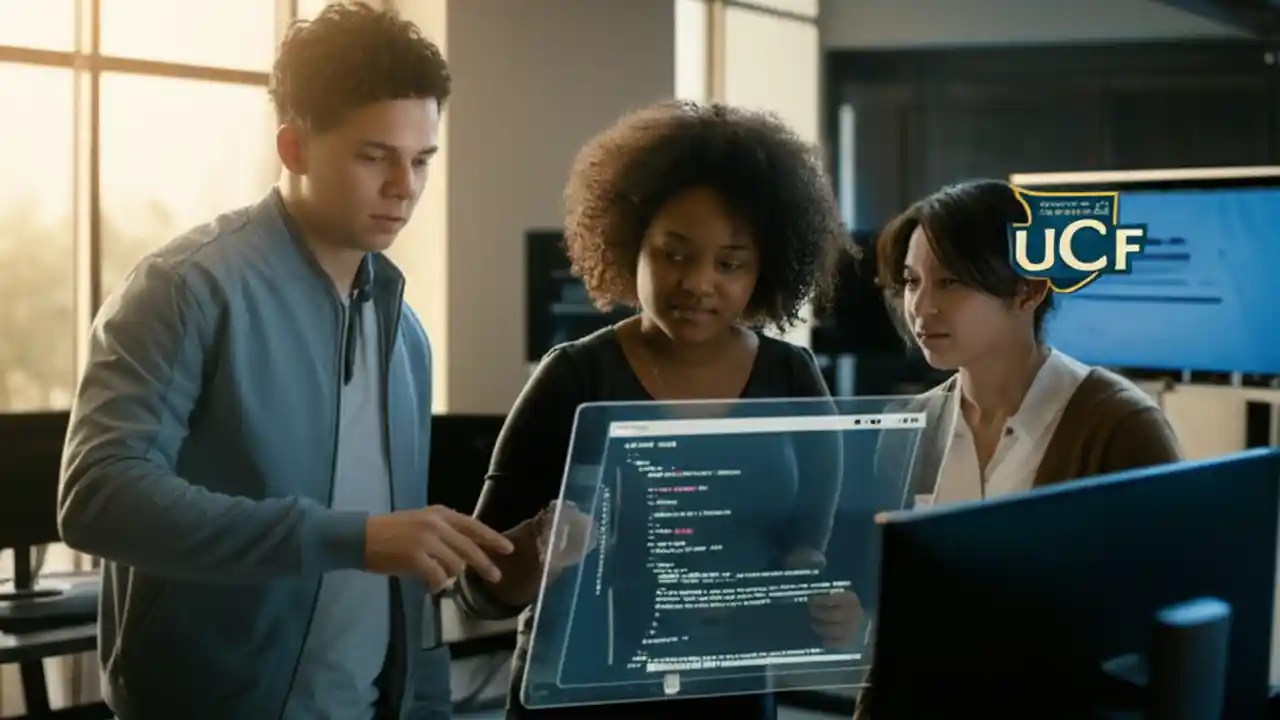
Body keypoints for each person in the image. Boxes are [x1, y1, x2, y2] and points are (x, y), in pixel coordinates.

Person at [57, 4, 512, 719]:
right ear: (294, 147)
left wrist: (427, 707)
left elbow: (407, 579)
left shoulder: (405, 333)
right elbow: (98, 499)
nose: (405, 186)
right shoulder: (185, 289)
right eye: (374, 156)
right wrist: (351, 538)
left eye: (421, 159)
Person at [454, 100, 862, 719]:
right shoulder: (574, 378)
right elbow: (478, 592)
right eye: (674, 253)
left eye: (729, 263)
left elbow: (812, 553)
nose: (698, 282)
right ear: (631, 244)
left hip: (730, 700)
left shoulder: (792, 378)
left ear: (764, 269)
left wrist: (830, 602)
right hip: (578, 701)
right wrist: (540, 547)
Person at [850, 178, 1183, 719]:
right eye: (912, 282)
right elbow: (895, 628)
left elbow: (1164, 640)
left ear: (1028, 291)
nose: (921, 307)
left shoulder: (1119, 427)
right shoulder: (909, 426)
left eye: (951, 281)